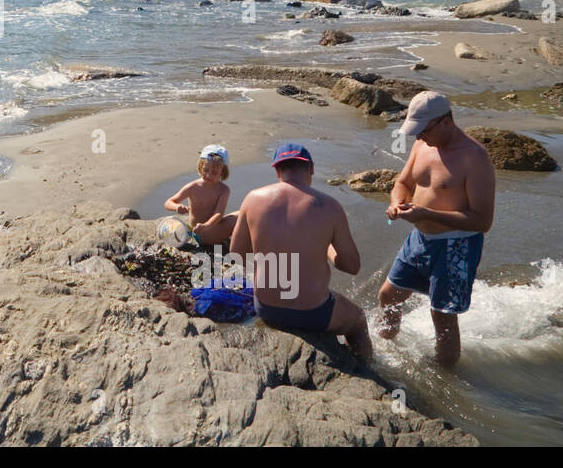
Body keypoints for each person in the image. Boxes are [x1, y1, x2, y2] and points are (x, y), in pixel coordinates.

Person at [379, 92, 494, 368]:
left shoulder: (474, 158)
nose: (420, 136)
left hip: (456, 245)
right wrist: (397, 203)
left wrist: (428, 213)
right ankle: (384, 349)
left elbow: (482, 221)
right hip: (419, 239)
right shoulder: (422, 145)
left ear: (446, 121)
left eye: (424, 130)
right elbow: (402, 182)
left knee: (441, 315)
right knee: (388, 295)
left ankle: (445, 375)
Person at [229, 143, 372, 360]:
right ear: (311, 168)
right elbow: (352, 266)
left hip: (267, 308)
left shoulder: (252, 199)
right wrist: (327, 249)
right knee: (359, 320)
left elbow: (237, 254)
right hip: (314, 313)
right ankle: (367, 369)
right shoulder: (330, 206)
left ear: (277, 171)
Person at [164, 144, 236, 246]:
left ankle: (235, 244)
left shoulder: (223, 190)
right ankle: (236, 248)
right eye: (205, 170)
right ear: (200, 167)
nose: (208, 175)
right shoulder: (193, 187)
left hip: (211, 227)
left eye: (214, 173)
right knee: (239, 219)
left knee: (244, 213)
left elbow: (218, 214)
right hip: (201, 233)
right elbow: (168, 202)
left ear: (222, 172)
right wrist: (177, 207)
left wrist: (207, 225)